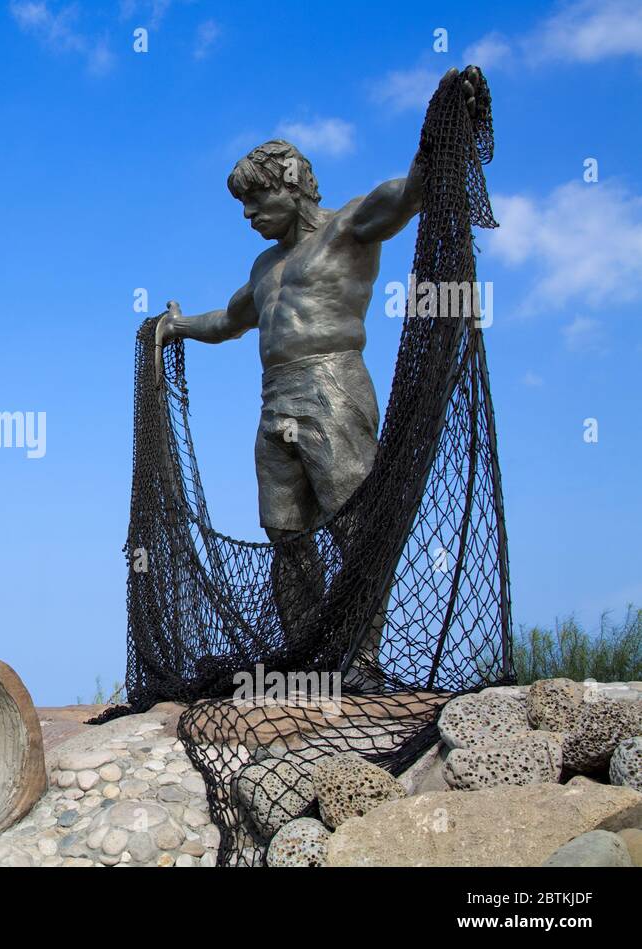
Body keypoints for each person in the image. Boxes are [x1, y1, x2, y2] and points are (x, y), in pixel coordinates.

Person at [155, 68, 480, 686]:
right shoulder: (264, 265)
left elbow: (410, 192)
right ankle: (307, 656)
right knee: (285, 533)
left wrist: (444, 128)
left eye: (258, 200)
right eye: (242, 204)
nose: (249, 214)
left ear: (294, 185)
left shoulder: (348, 227)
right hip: (273, 399)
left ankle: (362, 657)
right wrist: (178, 326)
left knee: (353, 521)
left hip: (334, 386)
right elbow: (228, 320)